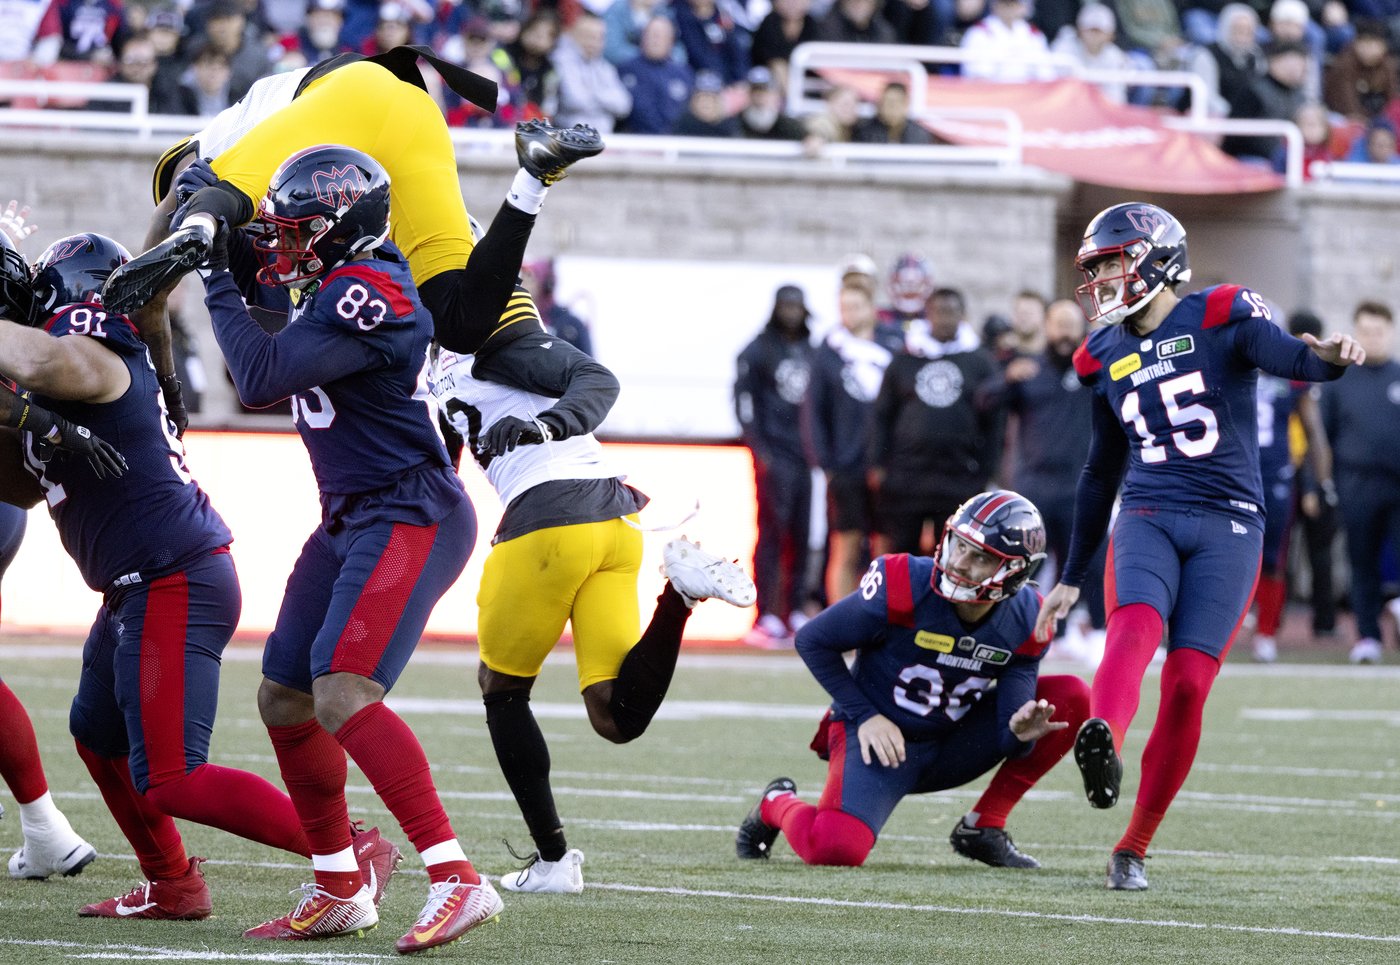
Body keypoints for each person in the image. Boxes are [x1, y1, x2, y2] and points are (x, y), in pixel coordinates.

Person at [0, 231, 402, 919]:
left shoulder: (93, 340)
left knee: (175, 776)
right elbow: (26, 485)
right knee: (97, 735)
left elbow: (43, 356)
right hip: (139, 583)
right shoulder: (76, 374)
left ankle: (346, 848)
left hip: (171, 577)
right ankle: (173, 881)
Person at [196, 146, 494, 953]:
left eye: (297, 233)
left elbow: (257, 376)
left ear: (339, 228)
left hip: (410, 510)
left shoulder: (373, 288)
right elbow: (262, 338)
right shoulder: (335, 281)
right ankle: (338, 883)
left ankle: (456, 875)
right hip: (351, 515)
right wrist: (228, 244)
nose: (283, 247)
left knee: (342, 691)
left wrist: (213, 273)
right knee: (284, 697)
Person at [1035, 202, 1364, 891]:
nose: (1100, 280)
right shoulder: (1102, 351)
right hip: (1150, 509)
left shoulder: (1217, 312)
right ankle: (1106, 740)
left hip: (1230, 520)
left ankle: (1135, 844)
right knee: (1134, 626)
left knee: (1187, 683)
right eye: (1094, 268)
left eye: (1112, 263)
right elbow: (1101, 470)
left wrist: (1326, 361)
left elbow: (1286, 354)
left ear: (1157, 258)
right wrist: (1073, 572)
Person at [99, 44, 603, 434]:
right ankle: (531, 182)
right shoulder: (288, 253)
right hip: (413, 119)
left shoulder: (216, 141)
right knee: (458, 321)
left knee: (222, 194)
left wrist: (165, 380)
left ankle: (204, 222)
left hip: (354, 96)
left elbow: (155, 280)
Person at [431, 310, 756, 894]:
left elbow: (598, 380)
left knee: (501, 690)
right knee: (614, 715)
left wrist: (548, 426)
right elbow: (444, 468)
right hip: (615, 518)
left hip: (547, 518)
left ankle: (553, 863)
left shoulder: (492, 340)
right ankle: (679, 597)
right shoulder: (442, 360)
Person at [736, 491, 1090, 870]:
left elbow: (1009, 737)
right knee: (835, 850)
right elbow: (813, 640)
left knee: (1073, 696)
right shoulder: (904, 581)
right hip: (878, 740)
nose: (961, 562)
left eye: (981, 557)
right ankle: (776, 803)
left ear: (1015, 572)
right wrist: (865, 715)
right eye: (960, 546)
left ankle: (984, 826)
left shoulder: (1027, 619)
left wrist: (1020, 734)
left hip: (952, 741)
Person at [983, 298, 1107, 662]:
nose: (1065, 332)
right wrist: (1006, 377)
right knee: (1023, 566)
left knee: (1088, 563)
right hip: (1033, 487)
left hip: (1082, 486)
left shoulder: (1097, 371)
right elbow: (983, 403)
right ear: (1046, 328)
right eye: (1058, 323)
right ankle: (1011, 632)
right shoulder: (1029, 369)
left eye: (1072, 323)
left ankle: (1089, 632)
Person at [868, 287, 1001, 557]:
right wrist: (877, 464)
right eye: (938, 312)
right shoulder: (905, 359)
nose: (944, 319)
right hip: (907, 478)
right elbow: (882, 415)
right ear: (927, 315)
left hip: (959, 478)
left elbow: (995, 421)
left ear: (962, 316)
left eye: (951, 312)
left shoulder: (981, 362)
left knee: (952, 557)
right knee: (902, 558)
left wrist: (988, 471)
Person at [802, 282, 902, 602]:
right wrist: (824, 462)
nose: (849, 314)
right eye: (844, 307)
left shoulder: (895, 346)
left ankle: (879, 619)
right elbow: (813, 409)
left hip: (888, 465)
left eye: (856, 306)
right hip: (845, 465)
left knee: (885, 547)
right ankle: (839, 619)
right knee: (845, 544)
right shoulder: (830, 352)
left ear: (872, 308)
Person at [1249, 310, 1335, 663]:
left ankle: (1266, 631)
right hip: (1231, 473)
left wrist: (1322, 481)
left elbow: (1314, 432)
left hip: (1276, 475)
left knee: (1273, 558)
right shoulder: (1236, 364)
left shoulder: (1292, 373)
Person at [1319, 300, 1400, 665]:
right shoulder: (1341, 380)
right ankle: (1367, 636)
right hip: (1356, 485)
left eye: (1378, 331)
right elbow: (1326, 435)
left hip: (1397, 485)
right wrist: (1323, 483)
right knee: (1361, 561)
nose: (1373, 338)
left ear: (1390, 332)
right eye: (1365, 331)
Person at [735, 284, 815, 647]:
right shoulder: (759, 349)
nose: (792, 312)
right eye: (786, 305)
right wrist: (759, 448)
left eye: (797, 306)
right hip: (774, 456)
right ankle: (765, 613)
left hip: (805, 457)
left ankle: (795, 608)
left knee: (800, 533)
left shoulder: (813, 350)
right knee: (771, 533)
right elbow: (743, 400)